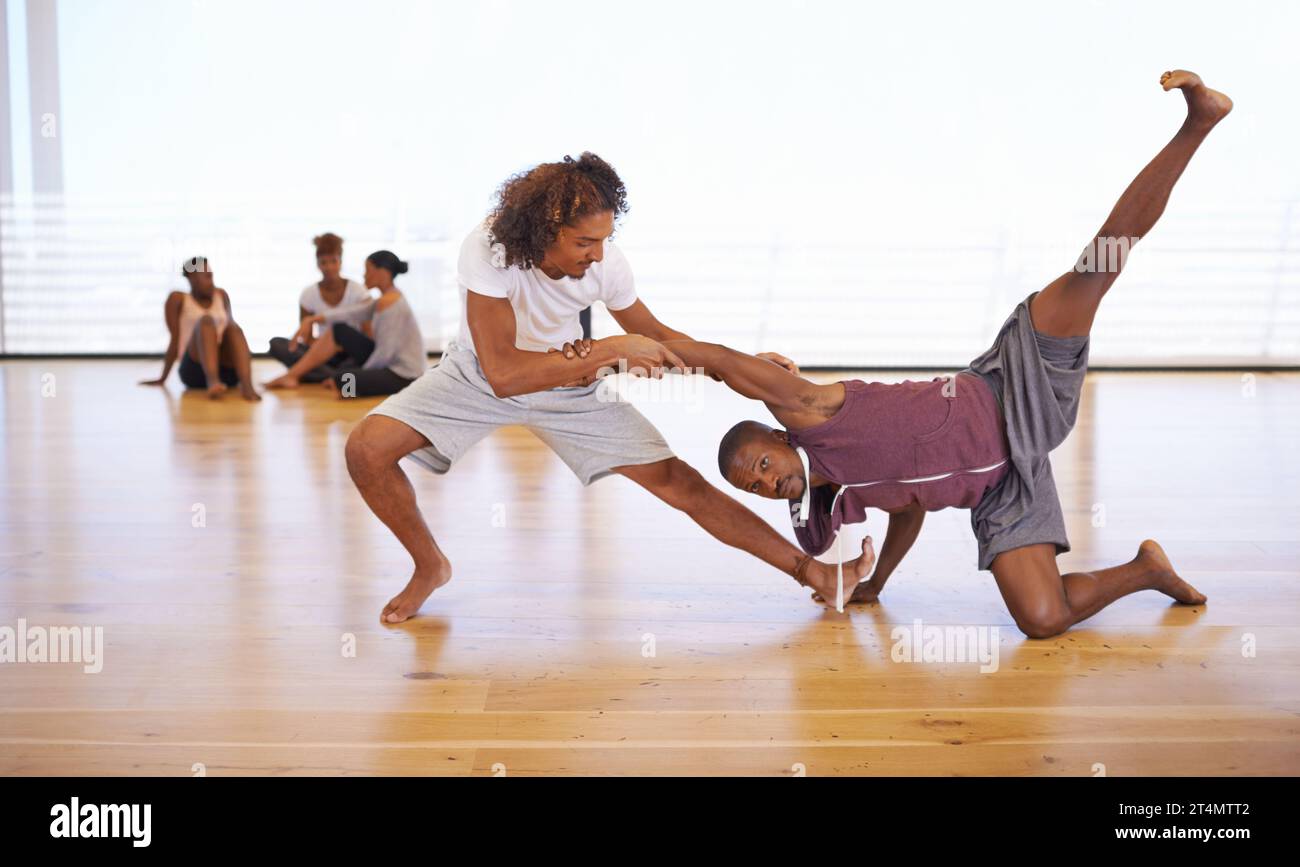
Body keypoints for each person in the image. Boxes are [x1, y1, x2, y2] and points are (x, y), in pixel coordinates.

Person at [641, 70, 1225, 638]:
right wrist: (878, 582)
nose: (766, 484)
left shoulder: (809, 411)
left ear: (779, 438)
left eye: (763, 465)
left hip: (1007, 387)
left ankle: (1196, 124)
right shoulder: (838, 494)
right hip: (1006, 483)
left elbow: (721, 360)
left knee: (1098, 267)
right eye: (756, 489)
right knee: (1042, 619)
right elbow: (909, 503)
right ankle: (1147, 568)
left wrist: (643, 352)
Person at [343, 152, 874, 623]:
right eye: (584, 242)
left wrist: (734, 364)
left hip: (572, 383)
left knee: (678, 482)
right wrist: (611, 351)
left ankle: (816, 575)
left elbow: (659, 337)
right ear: (545, 228)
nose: (598, 255)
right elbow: (504, 374)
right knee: (367, 448)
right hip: (480, 373)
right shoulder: (490, 248)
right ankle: (429, 565)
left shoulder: (606, 265)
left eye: (604, 240)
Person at [264, 250, 426, 397]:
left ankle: (344, 387)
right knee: (339, 330)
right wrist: (313, 319)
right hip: (386, 363)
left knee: (344, 379)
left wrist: (357, 373)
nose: (364, 275)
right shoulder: (385, 300)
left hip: (403, 374)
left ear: (382, 273)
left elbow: (384, 354)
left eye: (367, 270)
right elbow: (351, 313)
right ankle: (294, 376)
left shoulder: (391, 305)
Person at [138, 256, 260, 401]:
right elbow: (175, 339)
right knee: (206, 321)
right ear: (192, 278)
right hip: (194, 371)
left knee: (233, 329)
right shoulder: (178, 299)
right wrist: (163, 378)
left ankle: (247, 386)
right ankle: (213, 382)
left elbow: (233, 335)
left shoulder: (221, 294)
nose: (211, 282)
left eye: (212, 276)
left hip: (228, 372)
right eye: (207, 277)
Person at [268, 232, 372, 382]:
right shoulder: (308, 294)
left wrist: (341, 347)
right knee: (276, 344)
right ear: (317, 264)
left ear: (340, 262)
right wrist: (324, 348)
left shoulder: (358, 291)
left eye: (333, 261)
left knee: (361, 361)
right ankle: (333, 375)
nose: (329, 267)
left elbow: (368, 336)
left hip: (351, 354)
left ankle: (315, 373)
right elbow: (307, 338)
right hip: (322, 353)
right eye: (324, 262)